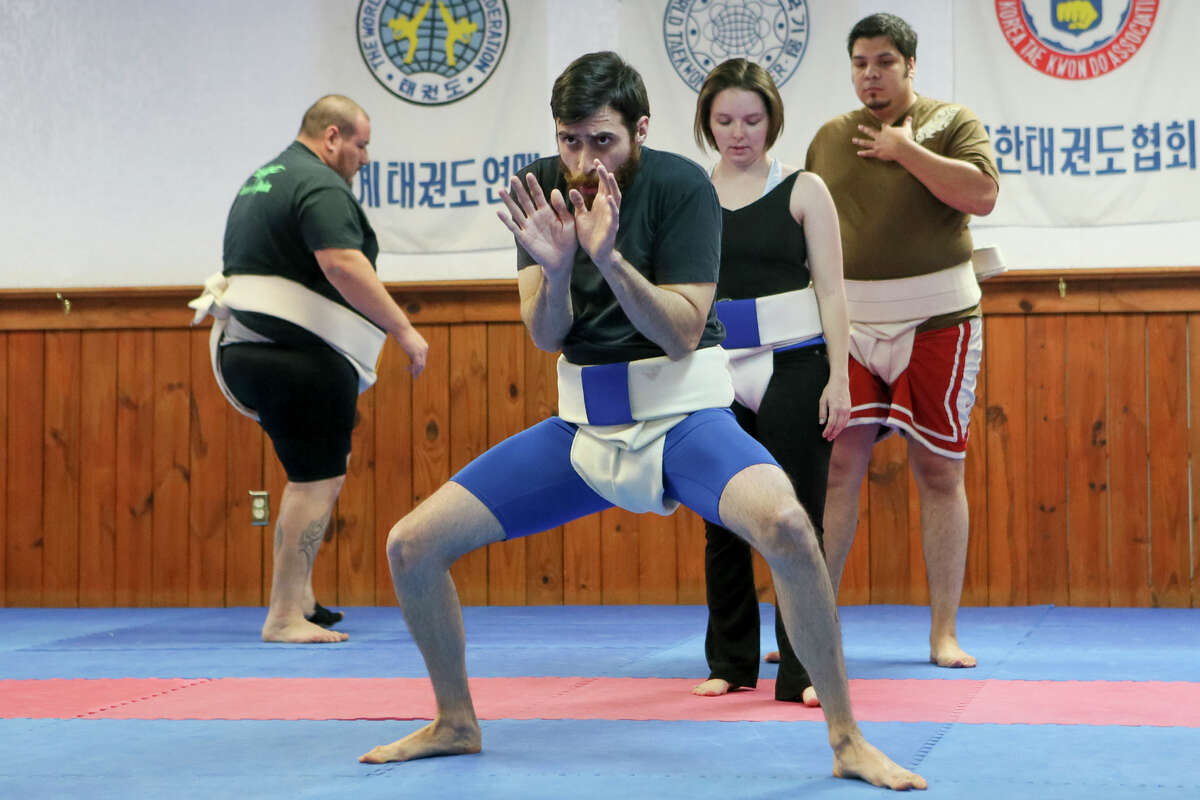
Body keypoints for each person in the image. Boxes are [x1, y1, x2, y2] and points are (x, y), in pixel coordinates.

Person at [359, 51, 925, 791]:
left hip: (682, 417)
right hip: (582, 428)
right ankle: (455, 720)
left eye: (602, 141)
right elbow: (544, 333)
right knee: (410, 546)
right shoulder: (542, 190)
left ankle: (847, 737)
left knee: (787, 526)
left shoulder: (682, 187)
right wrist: (559, 268)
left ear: (641, 130)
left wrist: (612, 261)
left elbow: (685, 330)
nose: (584, 159)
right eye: (570, 140)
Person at [189, 95, 429, 644]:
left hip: (244, 348)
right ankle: (282, 616)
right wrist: (403, 329)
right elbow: (342, 263)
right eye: (361, 144)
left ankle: (300, 598)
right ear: (332, 137)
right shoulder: (319, 184)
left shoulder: (265, 178)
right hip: (294, 356)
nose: (365, 158)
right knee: (315, 480)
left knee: (311, 475)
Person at [805, 14, 999, 668]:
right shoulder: (829, 139)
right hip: (851, 325)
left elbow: (982, 196)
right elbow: (802, 230)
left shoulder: (953, 123)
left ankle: (944, 630)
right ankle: (813, 624)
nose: (870, 74)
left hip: (938, 320)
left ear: (910, 66)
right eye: (860, 62)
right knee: (838, 464)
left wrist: (905, 149)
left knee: (939, 469)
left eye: (884, 61)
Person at [688, 59, 850, 708]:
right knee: (720, 518)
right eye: (724, 120)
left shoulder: (805, 189)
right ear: (707, 123)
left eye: (752, 120)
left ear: (773, 120)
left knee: (797, 519)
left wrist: (841, 376)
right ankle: (730, 660)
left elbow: (833, 290)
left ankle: (806, 669)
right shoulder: (693, 196)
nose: (739, 133)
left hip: (797, 361)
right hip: (716, 368)